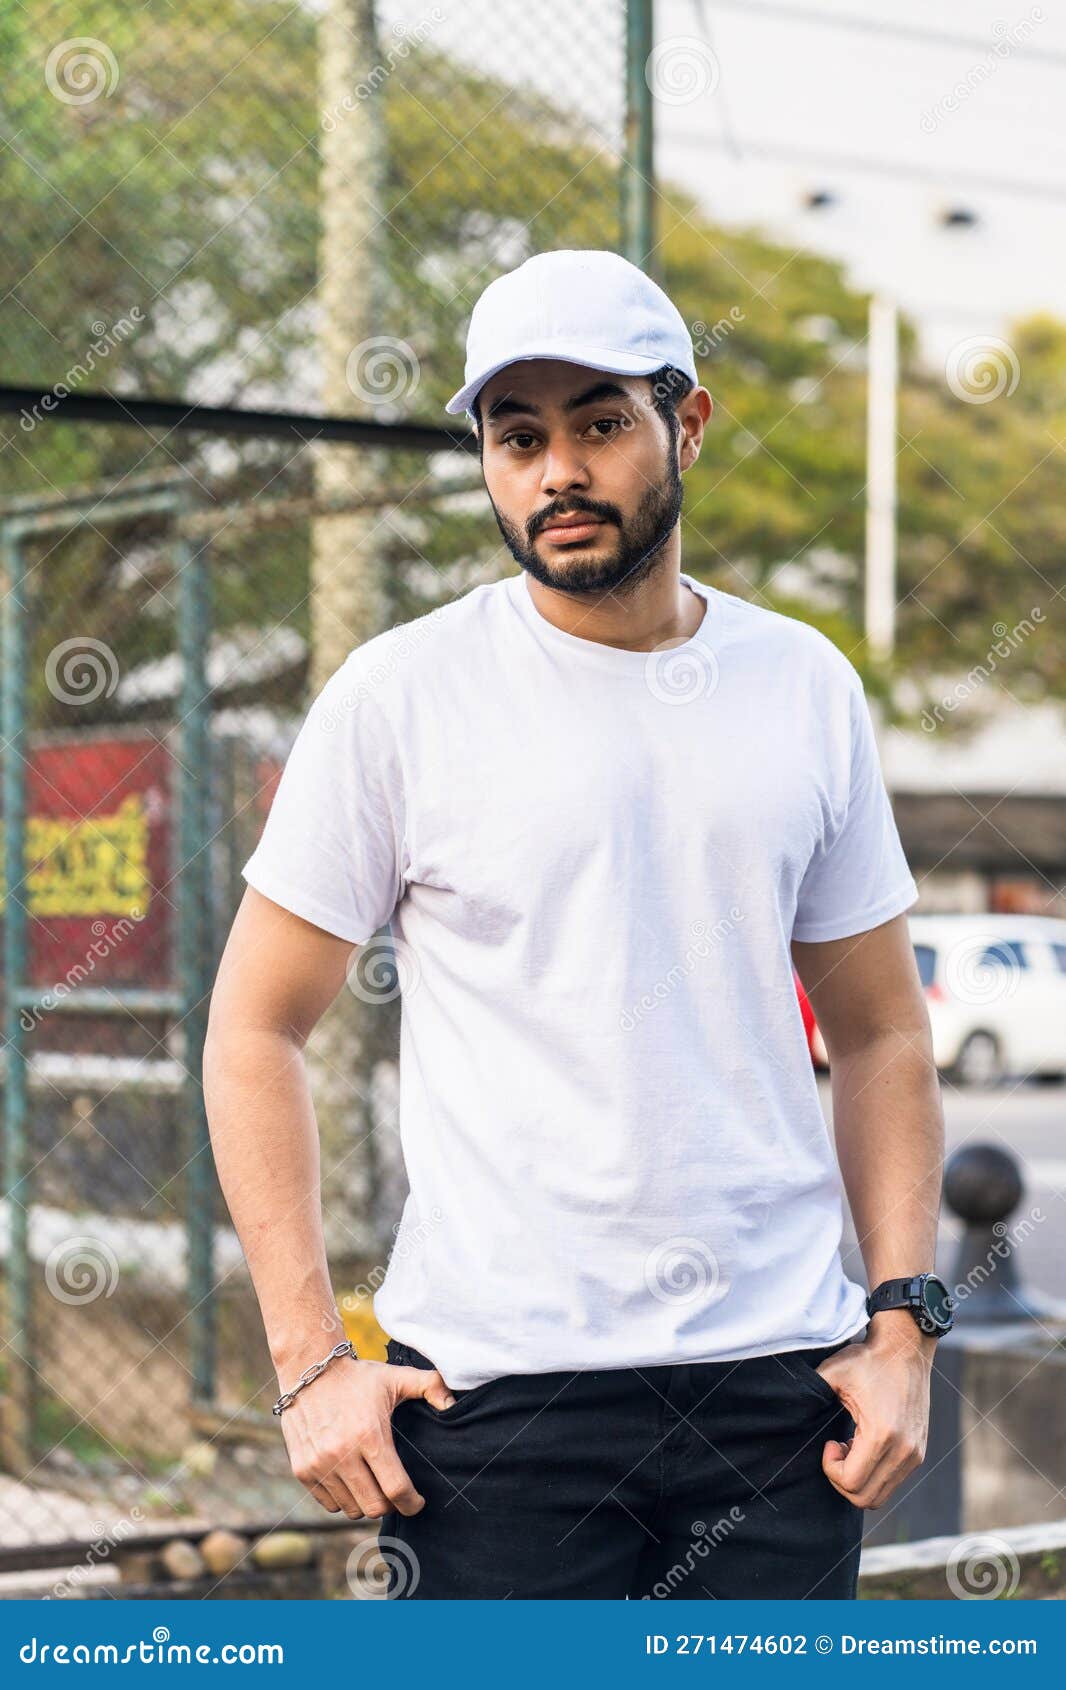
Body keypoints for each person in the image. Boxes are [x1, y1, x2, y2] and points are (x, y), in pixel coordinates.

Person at [204, 249, 951, 1601]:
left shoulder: (800, 685)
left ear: (688, 424)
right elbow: (253, 1026)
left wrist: (901, 1325)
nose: (556, 471)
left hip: (777, 1397)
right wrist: (310, 1363)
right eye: (517, 436)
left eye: (598, 422)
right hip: (495, 1406)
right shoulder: (401, 696)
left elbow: (884, 1031)